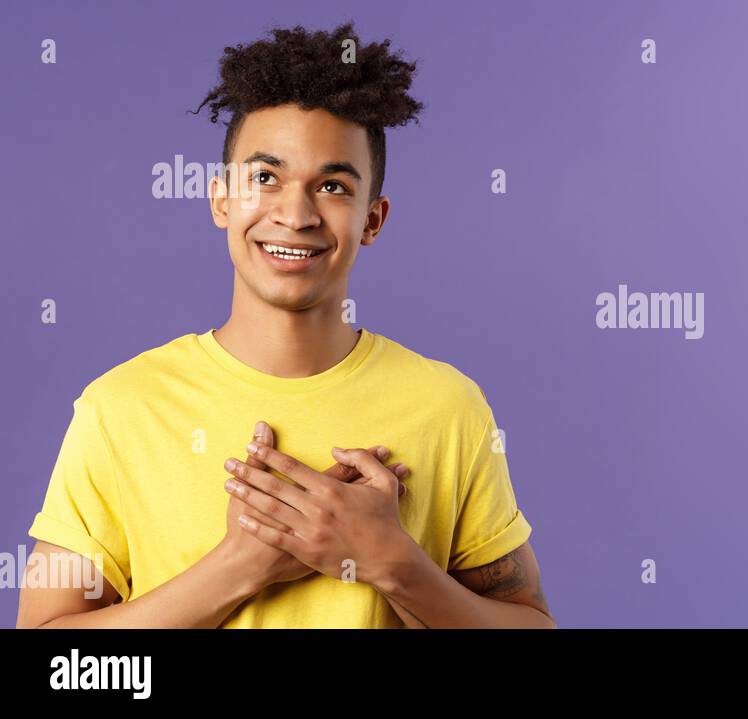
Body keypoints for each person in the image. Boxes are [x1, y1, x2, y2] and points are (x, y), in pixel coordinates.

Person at [16, 22, 553, 629]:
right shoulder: (119, 409)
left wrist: (392, 562)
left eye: (331, 186)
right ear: (221, 198)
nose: (294, 215)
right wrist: (242, 565)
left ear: (372, 219)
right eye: (264, 177)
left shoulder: (449, 406)